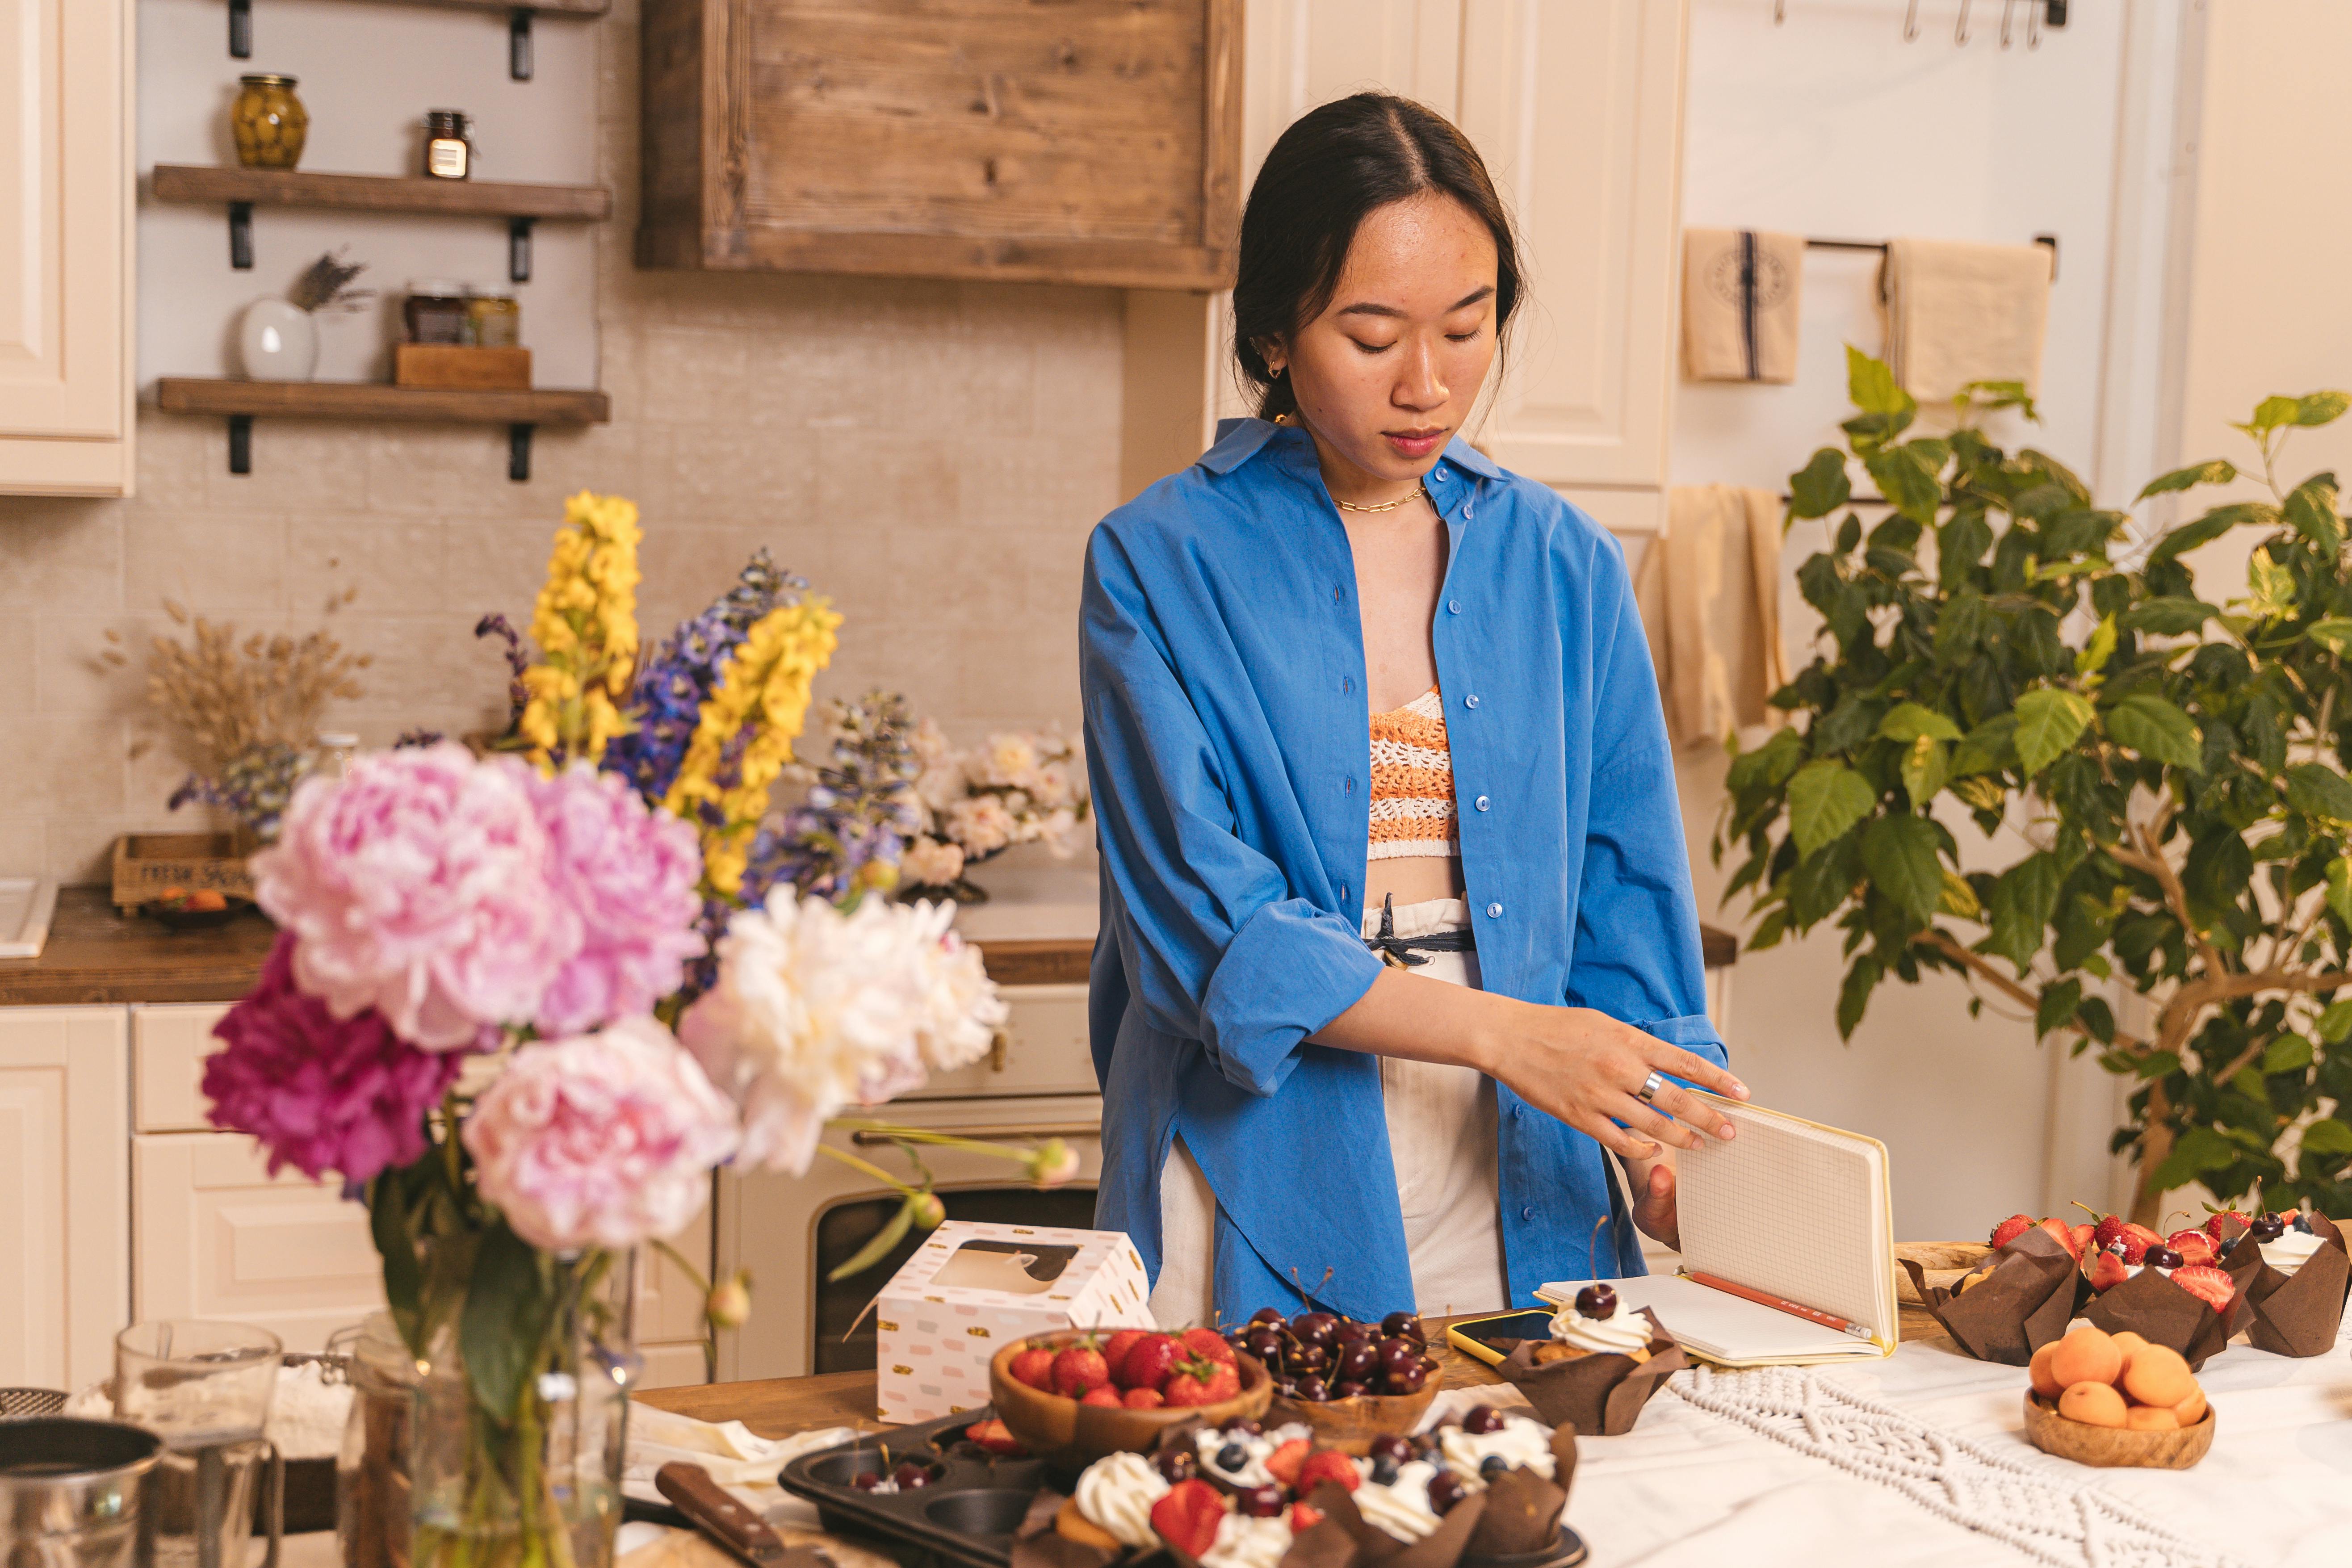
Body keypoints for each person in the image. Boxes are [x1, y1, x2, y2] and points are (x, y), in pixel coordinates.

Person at [1080, 92, 1746, 1329]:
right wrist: (1510, 1037)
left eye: (1467, 326)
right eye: (1373, 334)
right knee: (1266, 1448)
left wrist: (1665, 1137)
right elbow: (1209, 930)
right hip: (1254, 1146)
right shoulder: (1156, 561)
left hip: (1526, 1149)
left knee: (1522, 1449)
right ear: (1274, 331)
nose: (1428, 384)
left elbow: (1627, 901)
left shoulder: (1566, 563)